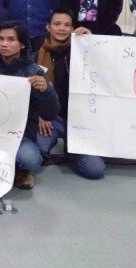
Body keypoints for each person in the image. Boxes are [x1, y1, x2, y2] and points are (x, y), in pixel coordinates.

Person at [0, 21, 60, 189]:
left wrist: (46, 91)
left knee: (31, 160)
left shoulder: (34, 71)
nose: (4, 44)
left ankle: (20, 170)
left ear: (23, 44)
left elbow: (50, 114)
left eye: (11, 39)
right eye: (1, 39)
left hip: (19, 134)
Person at [35, 9, 104, 179]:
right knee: (35, 155)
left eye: (67, 25)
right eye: (57, 24)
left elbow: (103, 65)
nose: (62, 28)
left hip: (79, 120)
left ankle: (73, 148)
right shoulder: (36, 51)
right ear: (48, 27)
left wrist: (91, 41)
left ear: (72, 28)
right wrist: (39, 115)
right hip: (49, 119)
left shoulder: (81, 49)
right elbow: (29, 90)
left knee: (94, 170)